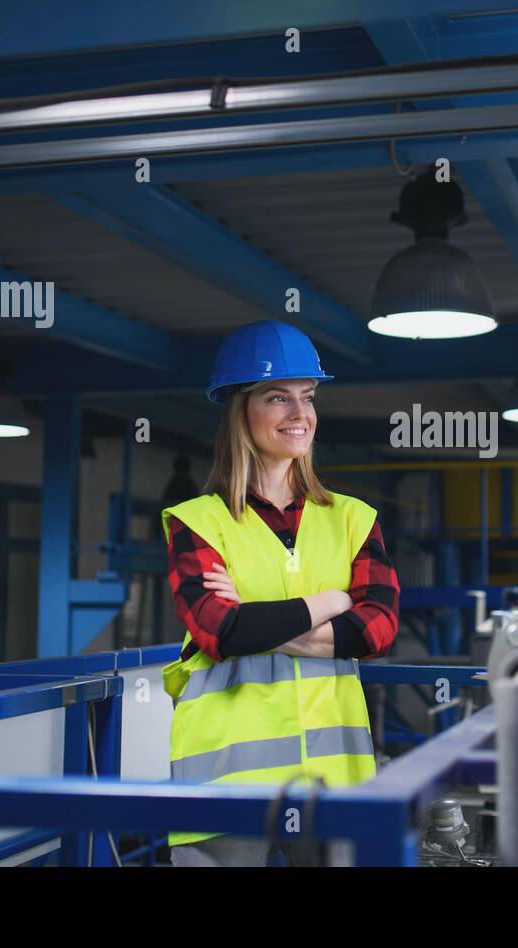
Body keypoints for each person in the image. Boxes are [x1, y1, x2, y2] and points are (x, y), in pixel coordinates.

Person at [160, 320, 399, 866]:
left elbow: (378, 631)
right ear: (240, 411)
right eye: (277, 398)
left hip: (333, 779)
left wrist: (253, 617)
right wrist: (330, 603)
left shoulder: (353, 519)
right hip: (223, 780)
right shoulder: (198, 522)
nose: (300, 415)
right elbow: (220, 631)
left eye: (308, 398)